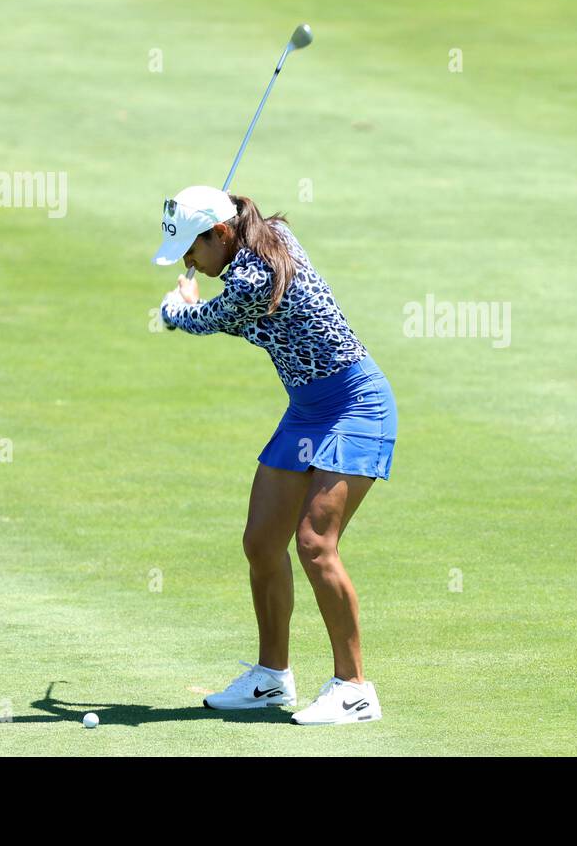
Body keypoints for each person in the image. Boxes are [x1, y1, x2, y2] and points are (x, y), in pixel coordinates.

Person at [153, 185, 397, 726]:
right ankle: (270, 678)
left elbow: (202, 319)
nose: (190, 261)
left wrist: (177, 309)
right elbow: (240, 235)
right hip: (308, 410)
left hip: (357, 405)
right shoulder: (270, 233)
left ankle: (354, 689)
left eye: (192, 249)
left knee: (314, 544)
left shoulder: (253, 277)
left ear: (220, 234)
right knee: (262, 543)